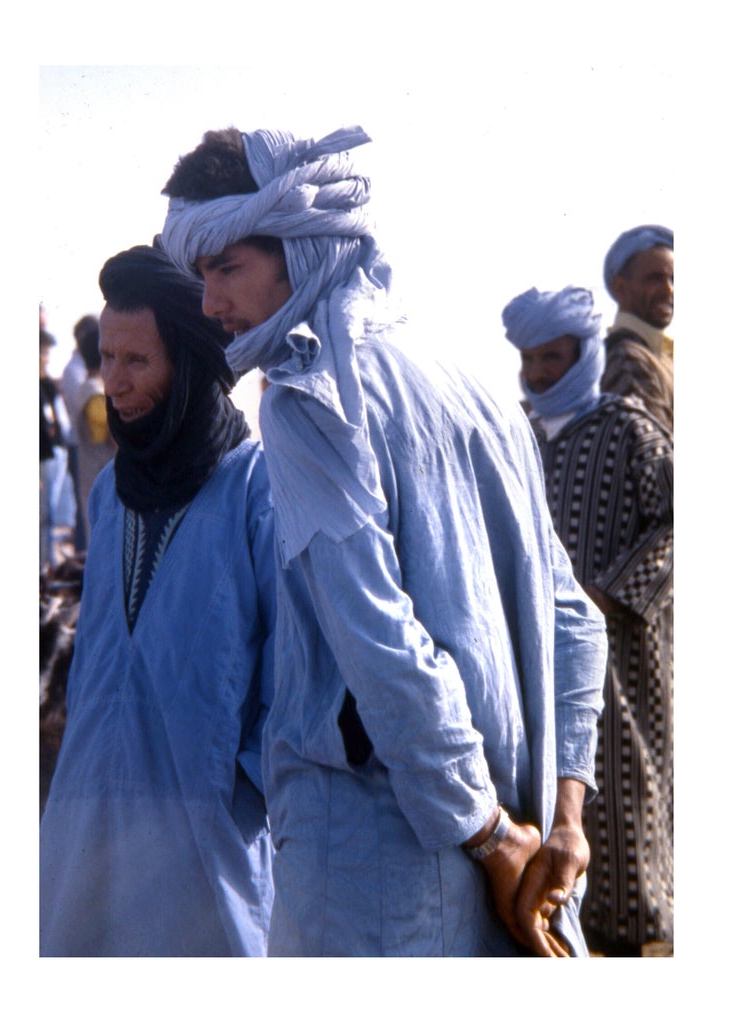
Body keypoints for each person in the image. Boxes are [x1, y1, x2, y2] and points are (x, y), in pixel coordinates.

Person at [159, 124, 607, 957]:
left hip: (380, 861)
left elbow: (380, 641)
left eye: (227, 268)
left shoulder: (308, 397)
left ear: (301, 246)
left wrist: (486, 834)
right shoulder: (471, 377)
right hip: (523, 837)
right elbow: (573, 615)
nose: (211, 304)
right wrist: (564, 819)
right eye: (200, 276)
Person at [39, 244, 277, 956]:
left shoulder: (255, 491)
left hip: (204, 850)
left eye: (137, 361)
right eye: (108, 358)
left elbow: (286, 687)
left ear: (191, 363)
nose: (113, 383)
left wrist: (230, 788)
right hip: (85, 834)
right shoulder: (111, 494)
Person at [502, 285, 674, 956]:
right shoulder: (514, 430)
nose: (540, 372)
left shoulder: (629, 428)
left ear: (583, 354)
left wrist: (610, 593)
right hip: (530, 647)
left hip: (621, 655)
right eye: (530, 359)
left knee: (623, 790)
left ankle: (630, 945)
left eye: (552, 357)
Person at [601, 224, 674, 434]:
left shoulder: (659, 355)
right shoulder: (628, 360)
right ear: (620, 288)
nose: (669, 290)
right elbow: (657, 448)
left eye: (673, 279)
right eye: (654, 278)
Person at [73, 316, 116, 544]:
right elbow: (113, 440)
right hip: (102, 481)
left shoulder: (87, 388)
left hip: (93, 478)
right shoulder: (96, 394)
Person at [40, 328, 75, 572]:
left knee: (49, 512)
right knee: (44, 513)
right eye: (42, 352)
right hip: (44, 455)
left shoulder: (46, 384)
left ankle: (47, 561)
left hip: (56, 452)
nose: (46, 358)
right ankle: (42, 565)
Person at [60, 315, 95, 552]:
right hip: (82, 446)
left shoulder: (79, 369)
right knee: (86, 507)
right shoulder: (75, 371)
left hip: (87, 446)